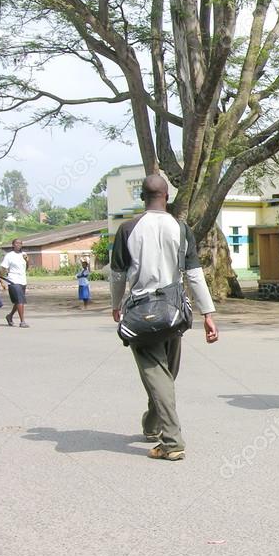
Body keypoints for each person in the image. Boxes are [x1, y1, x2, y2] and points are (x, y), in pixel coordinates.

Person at [110, 174, 219, 461]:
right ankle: (153, 424)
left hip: (140, 312)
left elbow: (118, 274)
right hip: (173, 312)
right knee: (165, 375)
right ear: (167, 196)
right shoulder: (181, 228)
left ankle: (171, 442)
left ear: (142, 197)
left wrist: (115, 305)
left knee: (159, 376)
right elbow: (194, 274)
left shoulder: (127, 229)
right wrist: (207, 313)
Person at [0, 238, 30, 327]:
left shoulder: (24, 254)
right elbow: (3, 268)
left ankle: (10, 316)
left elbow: (27, 268)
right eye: (17, 243)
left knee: (18, 301)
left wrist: (27, 261)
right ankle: (22, 321)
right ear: (13, 245)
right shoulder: (9, 255)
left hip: (23, 280)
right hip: (13, 280)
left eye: (20, 243)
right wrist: (1, 280)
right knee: (20, 300)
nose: (19, 245)